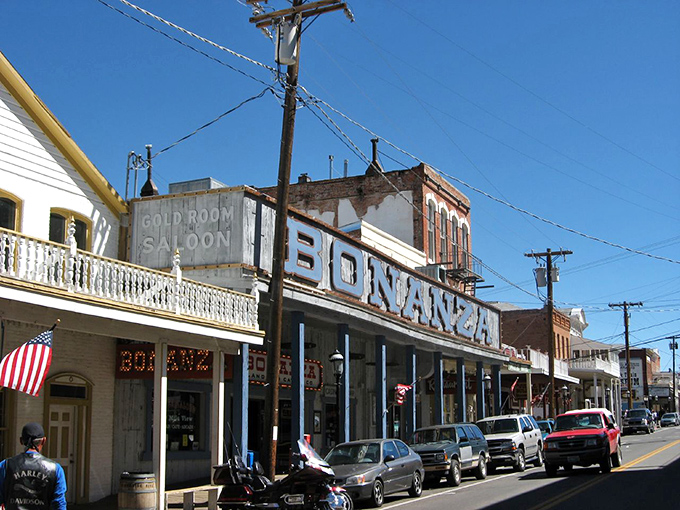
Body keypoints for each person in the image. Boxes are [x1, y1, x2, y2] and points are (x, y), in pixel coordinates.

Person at [0, 422, 67, 509]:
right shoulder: (55, 469)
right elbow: (59, 503)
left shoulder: (5, 465)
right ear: (43, 441)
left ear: (21, 441)